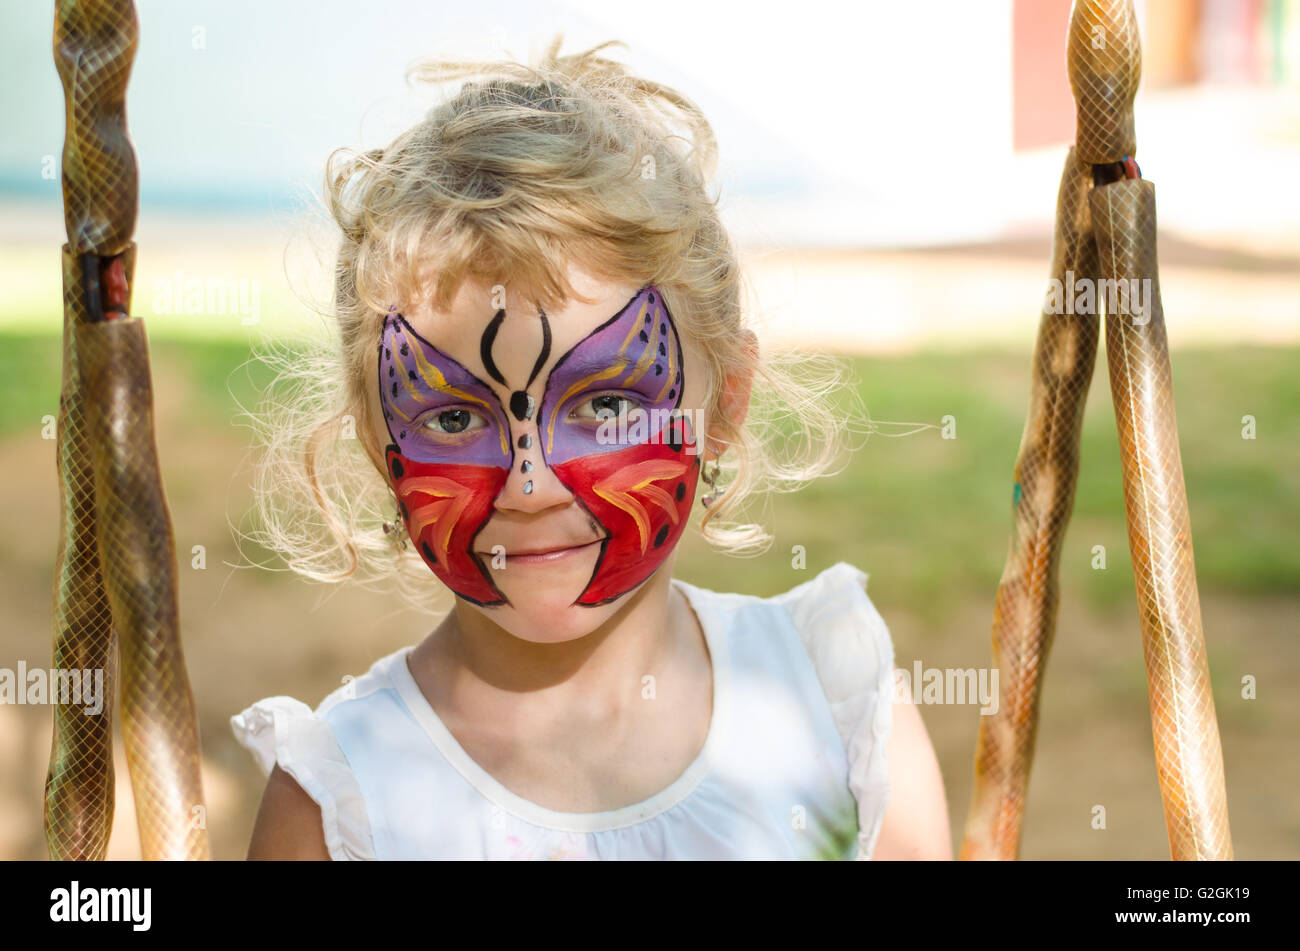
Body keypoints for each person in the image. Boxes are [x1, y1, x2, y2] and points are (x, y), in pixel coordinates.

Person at [230, 38, 950, 860]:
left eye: (607, 405)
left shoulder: (835, 703)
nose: (528, 484)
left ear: (726, 404)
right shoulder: (342, 802)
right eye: (455, 419)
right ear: (377, 444)